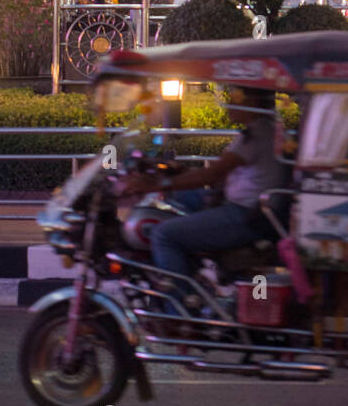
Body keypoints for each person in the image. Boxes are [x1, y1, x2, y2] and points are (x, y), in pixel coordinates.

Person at [115, 87, 286, 279]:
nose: (229, 103)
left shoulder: (257, 135)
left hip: (245, 215)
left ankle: (178, 303)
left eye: (236, 98)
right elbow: (222, 172)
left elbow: (213, 174)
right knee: (177, 198)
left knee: (164, 235)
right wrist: (179, 173)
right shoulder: (262, 130)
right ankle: (200, 270)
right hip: (247, 207)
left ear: (253, 103)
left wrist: (157, 184)